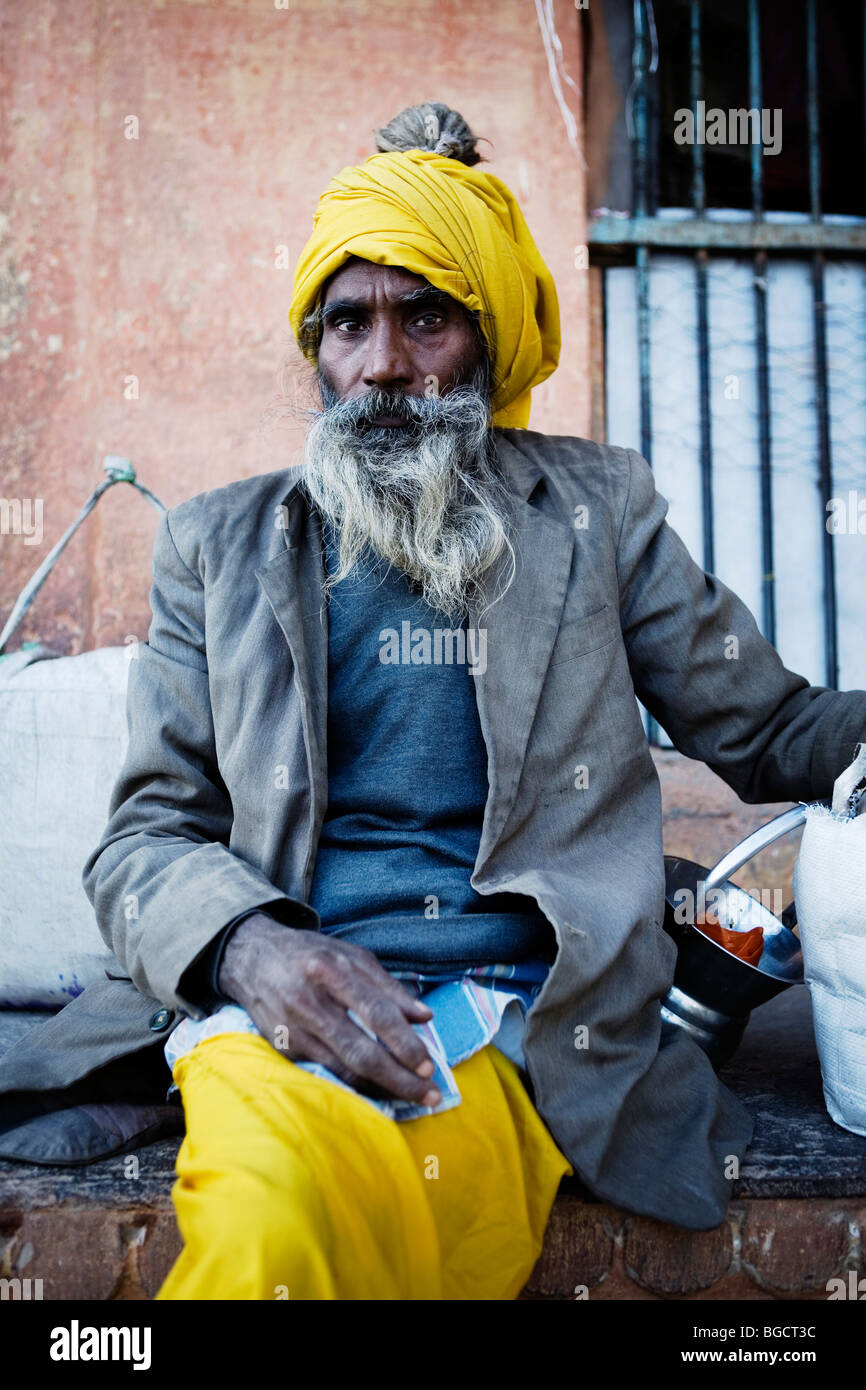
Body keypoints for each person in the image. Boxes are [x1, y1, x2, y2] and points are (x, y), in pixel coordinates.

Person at [2, 101, 865, 1300]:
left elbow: (767, 727)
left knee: (426, 1226)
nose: (384, 366)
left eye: (425, 317)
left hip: (520, 1020)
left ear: (486, 343)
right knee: (261, 1232)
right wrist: (252, 951)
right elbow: (145, 839)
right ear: (315, 349)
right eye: (347, 324)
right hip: (274, 1017)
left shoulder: (593, 514)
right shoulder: (219, 545)